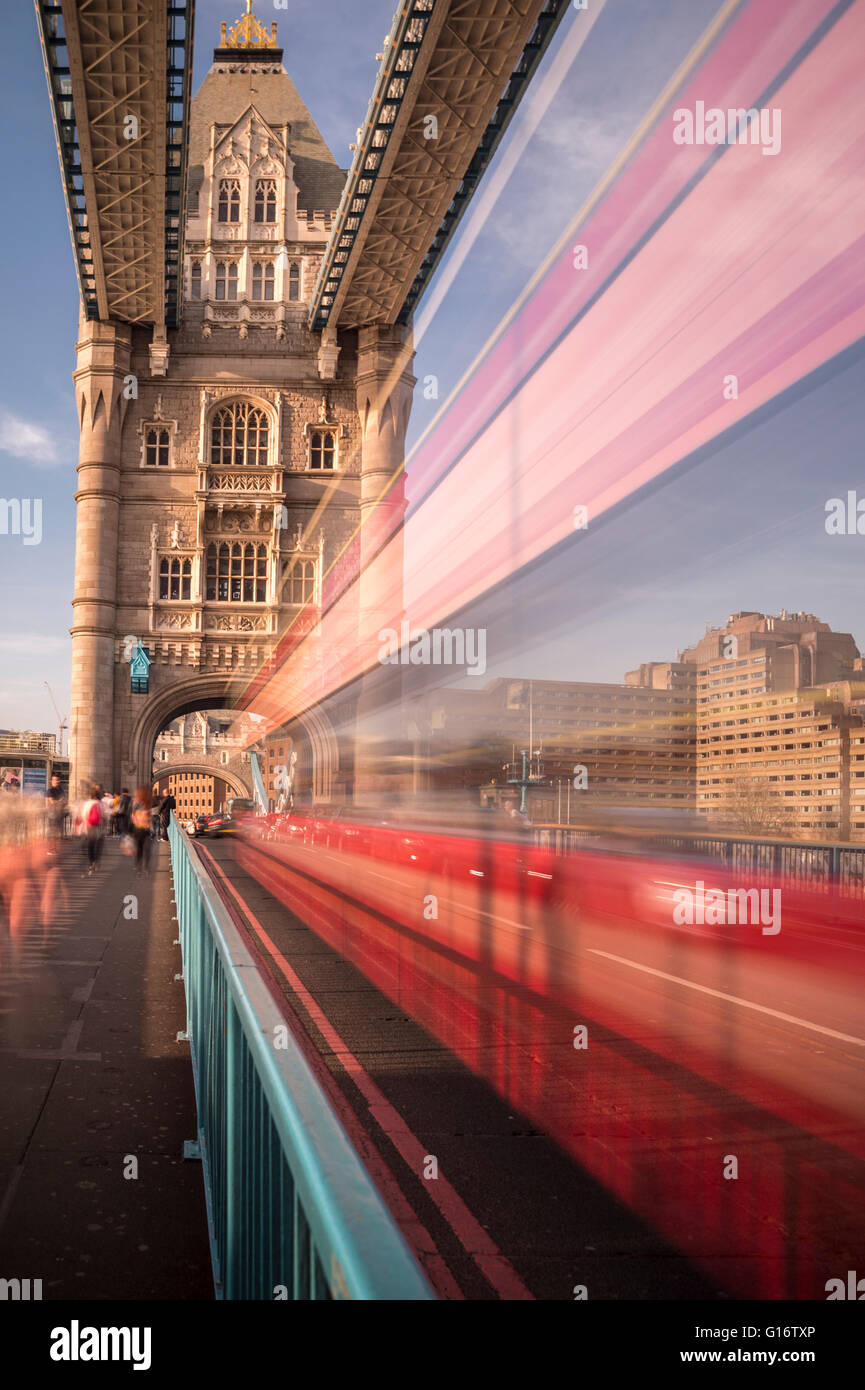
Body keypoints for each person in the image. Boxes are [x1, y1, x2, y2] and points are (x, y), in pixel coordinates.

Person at [80, 784, 104, 875]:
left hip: (89, 827)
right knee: (98, 845)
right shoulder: (100, 803)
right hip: (98, 827)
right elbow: (103, 815)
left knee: (90, 846)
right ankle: (97, 862)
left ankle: (91, 863)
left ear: (90, 795)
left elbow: (83, 815)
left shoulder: (87, 803)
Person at [130, 786, 153, 874]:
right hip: (146, 830)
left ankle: (138, 866)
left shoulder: (135, 804)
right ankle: (146, 867)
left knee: (139, 849)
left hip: (137, 830)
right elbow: (150, 819)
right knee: (147, 850)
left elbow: (132, 817)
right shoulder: (148, 804)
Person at [45, 774, 67, 839]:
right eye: (55, 780)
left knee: (59, 832)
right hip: (53, 813)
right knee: (52, 831)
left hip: (60, 813)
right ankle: (51, 846)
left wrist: (63, 802)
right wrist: (60, 801)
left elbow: (64, 800)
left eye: (58, 780)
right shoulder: (50, 790)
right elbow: (52, 802)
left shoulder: (61, 790)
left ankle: (57, 845)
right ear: (52, 781)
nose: (57, 781)